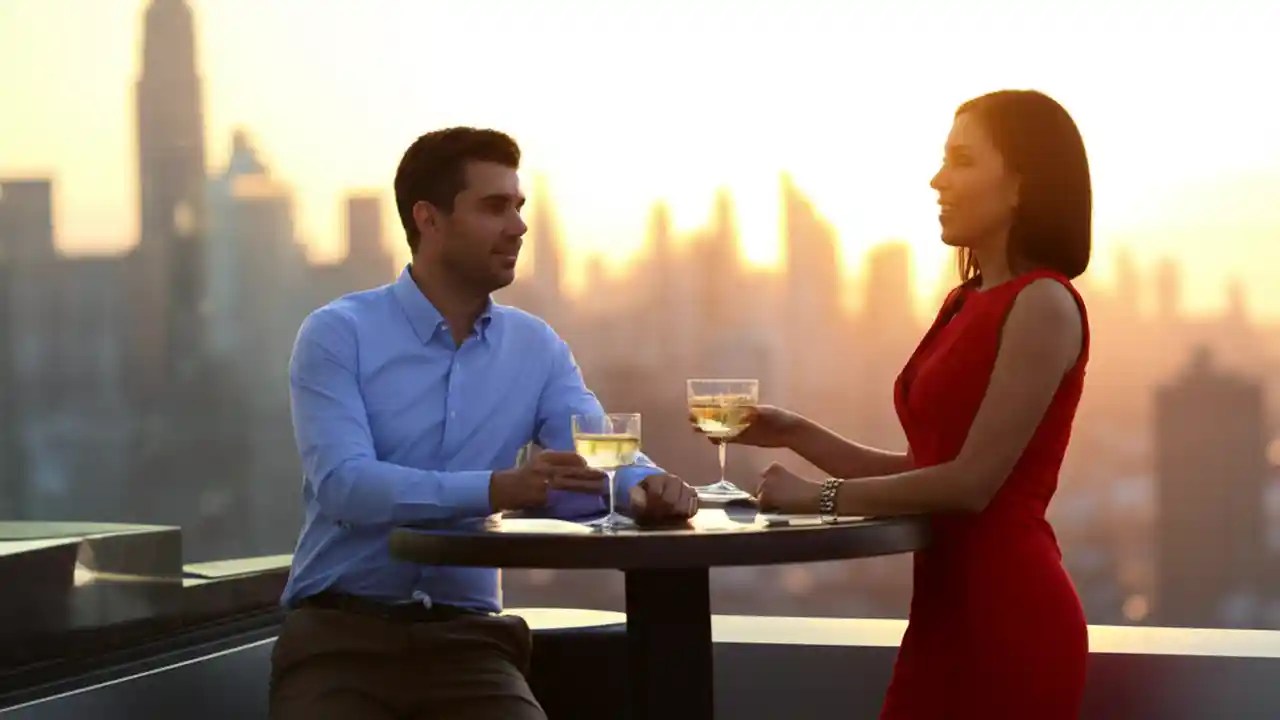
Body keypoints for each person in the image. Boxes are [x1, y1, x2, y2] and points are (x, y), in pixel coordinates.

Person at [270, 127, 699, 720]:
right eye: (495, 207)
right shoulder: (338, 334)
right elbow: (346, 485)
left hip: (470, 646)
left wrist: (645, 488)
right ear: (429, 219)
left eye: (519, 207)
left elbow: (601, 449)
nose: (518, 226)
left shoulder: (536, 347)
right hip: (341, 640)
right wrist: (499, 487)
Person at [701, 90, 1092, 718]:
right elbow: (926, 468)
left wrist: (815, 499)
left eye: (962, 160)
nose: (938, 180)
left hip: (1010, 619)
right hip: (943, 615)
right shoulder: (964, 302)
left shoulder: (1043, 303)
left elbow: (969, 486)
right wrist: (798, 432)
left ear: (1020, 184)